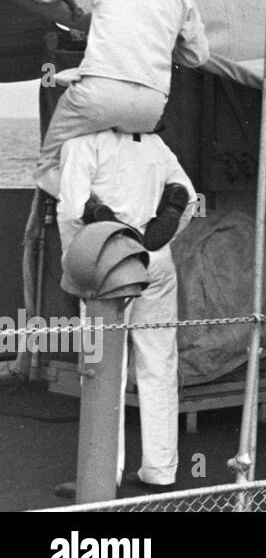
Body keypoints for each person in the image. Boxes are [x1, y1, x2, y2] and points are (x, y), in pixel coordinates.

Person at [54, 114, 196, 494]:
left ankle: (103, 475)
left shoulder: (83, 143)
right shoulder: (154, 144)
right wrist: (154, 237)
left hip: (109, 264)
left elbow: (73, 209)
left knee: (104, 370)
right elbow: (185, 194)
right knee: (159, 363)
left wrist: (80, 268)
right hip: (155, 261)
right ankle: (160, 469)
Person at [23, 0, 209, 197]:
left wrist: (70, 0)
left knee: (47, 167)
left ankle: (86, 205)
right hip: (150, 105)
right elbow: (197, 57)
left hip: (99, 94)